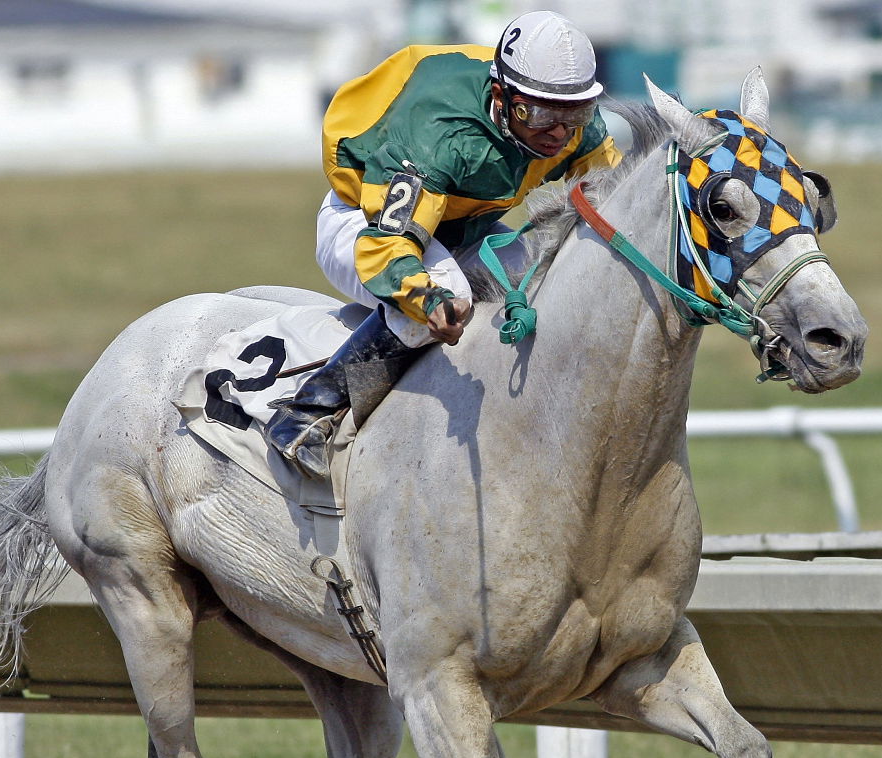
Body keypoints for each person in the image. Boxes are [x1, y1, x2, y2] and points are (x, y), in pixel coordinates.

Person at [265, 9, 621, 480]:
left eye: (574, 114)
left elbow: (616, 200)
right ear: (501, 95)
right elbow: (387, 247)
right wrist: (426, 297)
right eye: (538, 114)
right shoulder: (441, 132)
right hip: (365, 224)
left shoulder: (574, 130)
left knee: (548, 274)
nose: (558, 133)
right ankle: (308, 415)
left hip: (465, 231)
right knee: (450, 293)